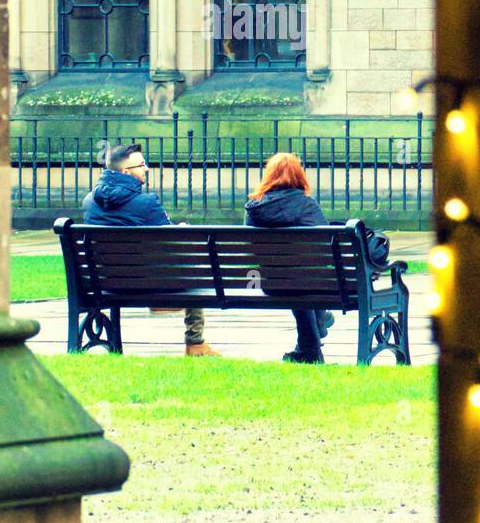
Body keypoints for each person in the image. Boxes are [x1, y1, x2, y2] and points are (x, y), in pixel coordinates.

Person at [81, 143, 220, 357]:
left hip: (107, 283)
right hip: (150, 285)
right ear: (126, 172)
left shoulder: (89, 202)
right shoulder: (146, 203)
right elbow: (172, 243)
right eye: (142, 164)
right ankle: (195, 341)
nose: (147, 168)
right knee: (195, 255)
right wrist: (182, 231)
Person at [243, 152, 336, 364]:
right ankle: (319, 324)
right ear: (299, 176)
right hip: (310, 282)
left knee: (295, 275)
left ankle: (308, 350)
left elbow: (250, 250)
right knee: (306, 276)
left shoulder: (254, 209)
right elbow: (325, 250)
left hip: (272, 283)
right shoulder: (307, 205)